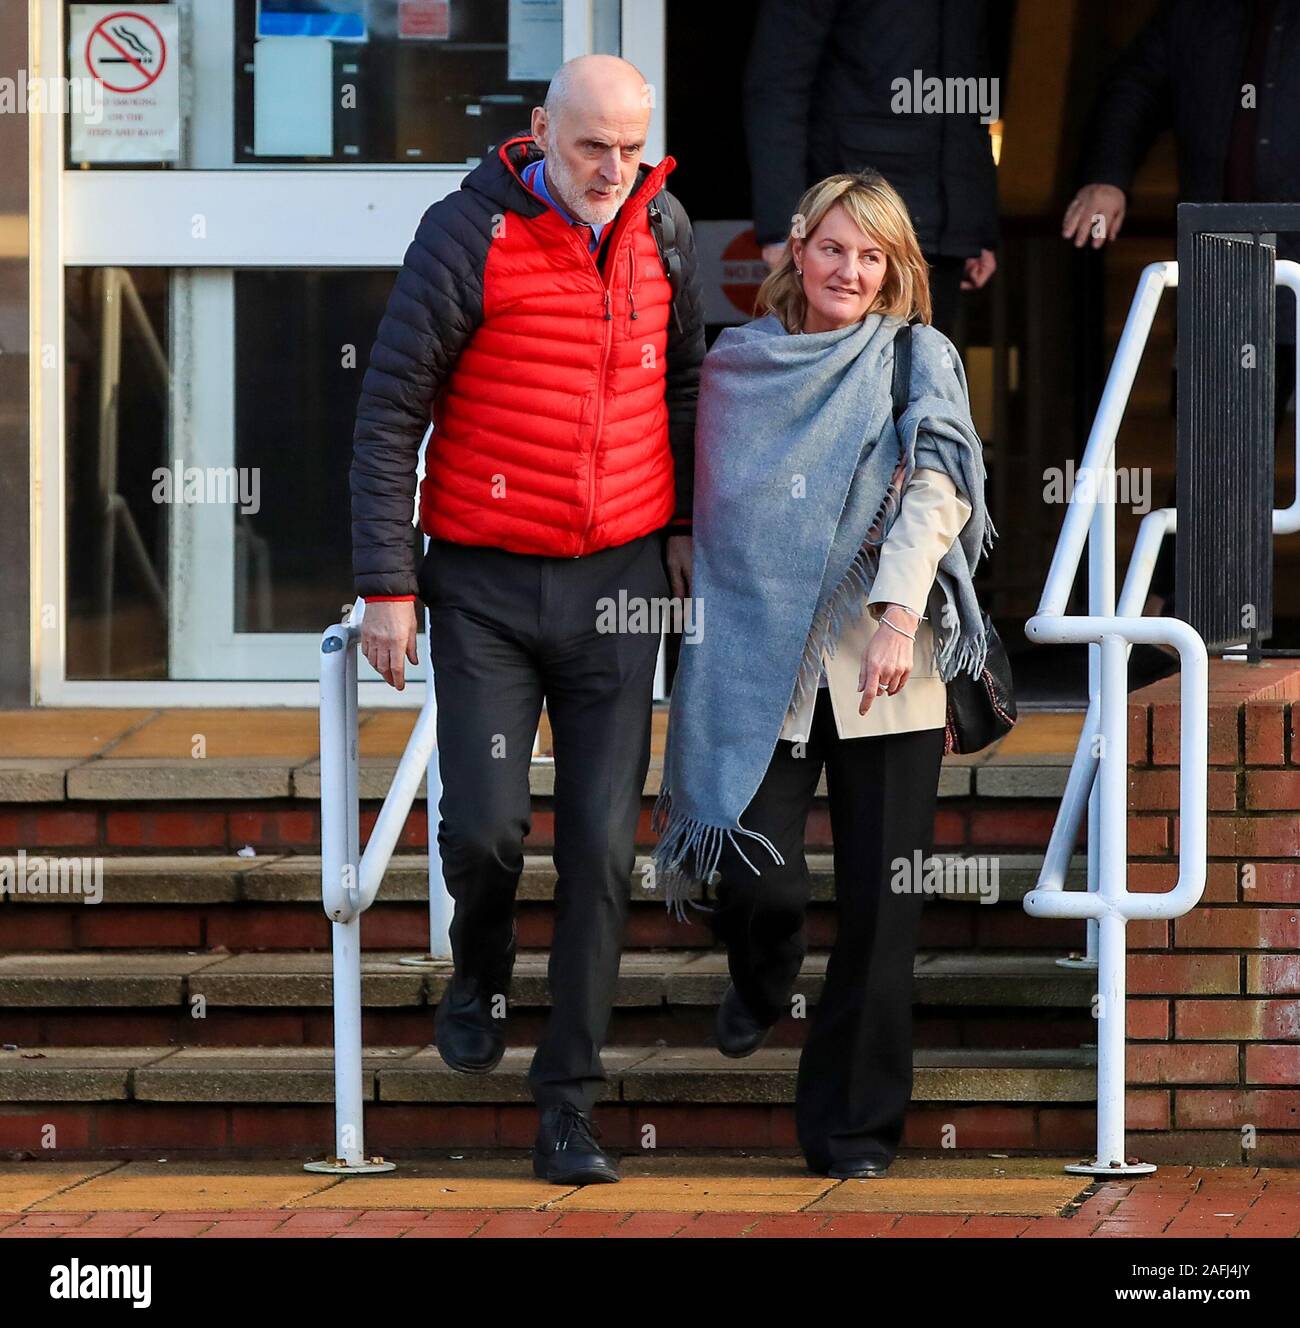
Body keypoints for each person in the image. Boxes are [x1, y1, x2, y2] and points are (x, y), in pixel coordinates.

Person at [350, 54, 706, 1185]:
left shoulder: (664, 229)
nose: (611, 169)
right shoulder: (469, 233)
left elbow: (686, 385)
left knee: (601, 850)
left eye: (630, 148)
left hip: (619, 585)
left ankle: (568, 1107)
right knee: (485, 831)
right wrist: (387, 584)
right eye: (591, 145)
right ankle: (482, 961)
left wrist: (684, 524)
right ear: (542, 129)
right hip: (485, 586)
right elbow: (390, 409)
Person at [652, 171, 995, 1178]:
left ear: (893, 269)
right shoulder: (737, 365)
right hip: (757, 658)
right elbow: (708, 496)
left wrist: (898, 616)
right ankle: (763, 978)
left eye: (872, 255)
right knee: (758, 875)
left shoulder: (914, 357)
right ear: (797, 248)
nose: (850, 270)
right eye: (834, 247)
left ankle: (852, 1129)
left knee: (884, 910)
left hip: (886, 661)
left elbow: (937, 488)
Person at [1062, 0, 1300, 618]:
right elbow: (1135, 86)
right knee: (1217, 454)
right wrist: (1107, 176)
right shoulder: (1196, 12)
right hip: (1229, 267)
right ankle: (1185, 619)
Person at [743, 0, 1000, 337]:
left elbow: (972, 92)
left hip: (940, 236)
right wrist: (785, 228)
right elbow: (778, 83)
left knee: (924, 364)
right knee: (835, 365)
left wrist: (976, 224)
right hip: (850, 225)